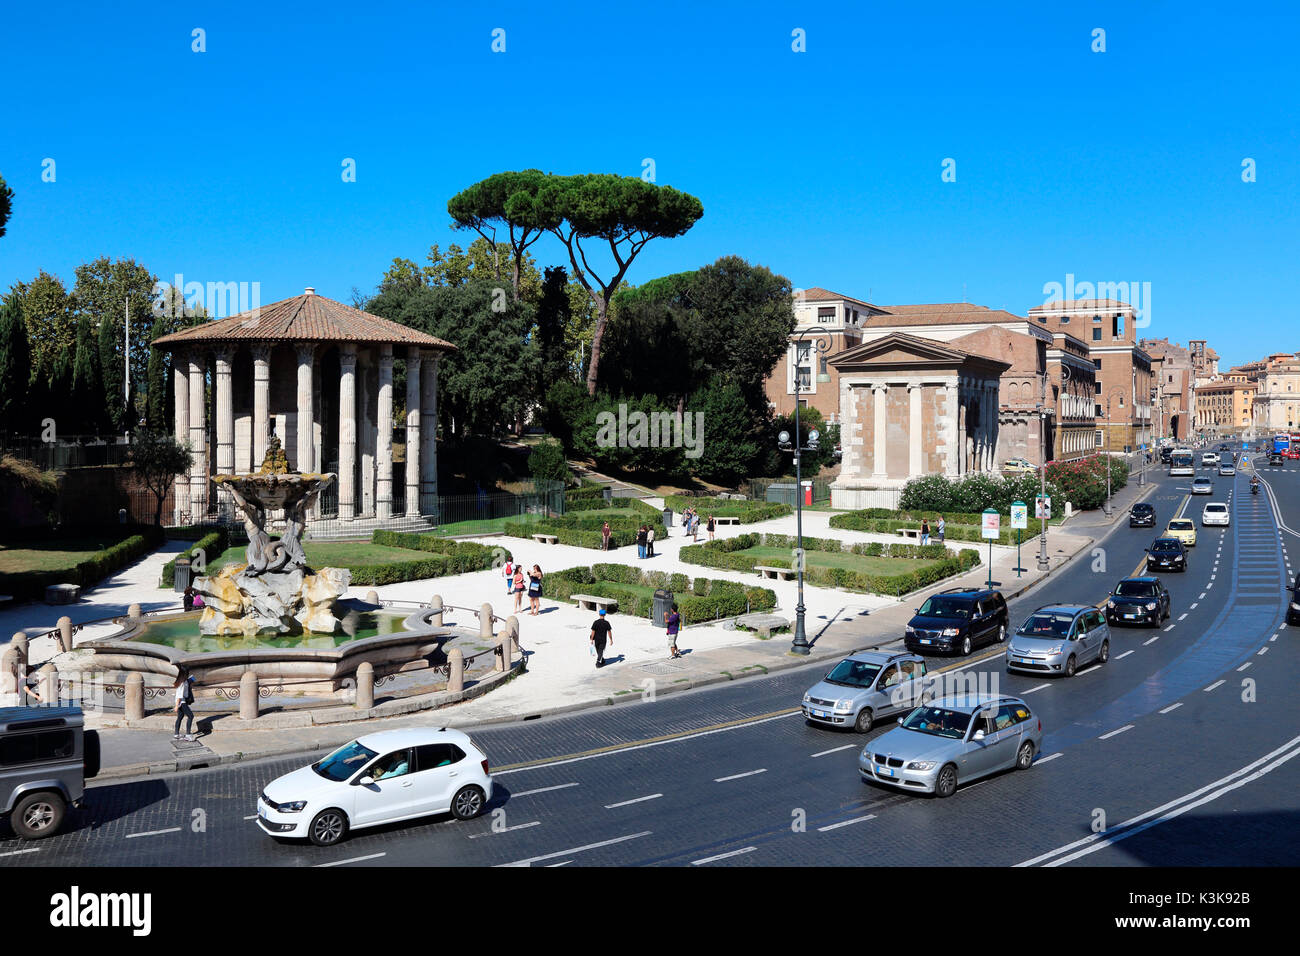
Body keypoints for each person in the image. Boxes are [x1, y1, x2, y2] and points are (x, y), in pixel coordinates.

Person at [173, 672, 196, 742]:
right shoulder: (182, 683)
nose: (187, 675)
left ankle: (176, 734)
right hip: (181, 702)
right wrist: (176, 706)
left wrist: (191, 680)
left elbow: (193, 678)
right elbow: (179, 696)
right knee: (191, 716)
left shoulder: (185, 681)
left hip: (181, 701)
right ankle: (188, 735)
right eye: (186, 674)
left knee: (180, 717)